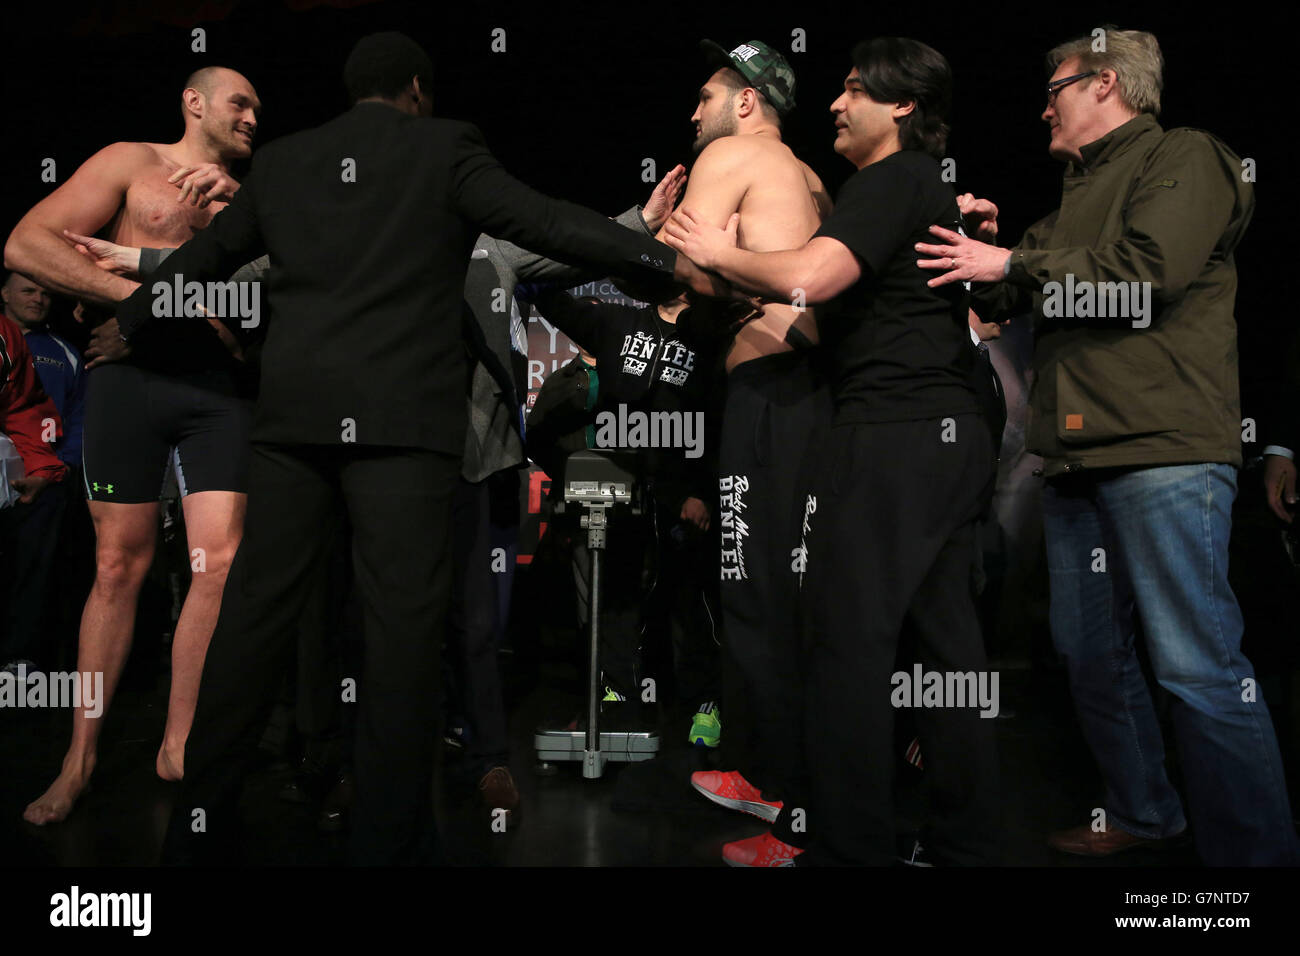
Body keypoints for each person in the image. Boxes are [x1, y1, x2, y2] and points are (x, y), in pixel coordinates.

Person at [110, 32, 684, 865]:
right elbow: (547, 222)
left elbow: (203, 264)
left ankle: (199, 824)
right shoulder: (446, 147)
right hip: (404, 436)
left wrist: (127, 325)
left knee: (253, 621)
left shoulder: (287, 161)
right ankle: (389, 840)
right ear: (417, 90)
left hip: (292, 425)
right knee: (402, 633)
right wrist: (662, 257)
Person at [913, 26, 1298, 866]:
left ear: (1105, 83)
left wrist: (1013, 257)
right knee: (1087, 655)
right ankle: (1144, 809)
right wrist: (981, 248)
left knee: (1196, 664)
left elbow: (1147, 270)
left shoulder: (1186, 156)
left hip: (1162, 450)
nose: (1042, 105)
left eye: (1055, 87)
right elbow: (1024, 279)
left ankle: (1255, 856)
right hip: (1078, 458)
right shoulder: (1073, 193)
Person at [667, 36, 1000, 866]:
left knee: (846, 645)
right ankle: (958, 840)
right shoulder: (902, 187)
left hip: (891, 437)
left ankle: (843, 845)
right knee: (945, 652)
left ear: (902, 107)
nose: (835, 104)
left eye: (853, 90)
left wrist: (713, 254)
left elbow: (814, 275)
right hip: (941, 436)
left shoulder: (891, 180)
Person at [3, 66, 260, 823]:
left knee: (220, 559)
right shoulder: (128, 161)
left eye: (257, 108)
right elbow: (26, 244)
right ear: (195, 102)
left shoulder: (256, 198)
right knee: (119, 564)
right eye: (239, 103)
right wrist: (150, 306)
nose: (251, 118)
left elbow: (279, 294)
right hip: (130, 381)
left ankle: (178, 743)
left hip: (220, 392)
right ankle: (78, 762)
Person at [657, 39, 833, 867]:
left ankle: (787, 798)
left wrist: (663, 240)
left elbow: (691, 274)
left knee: (756, 590)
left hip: (769, 397)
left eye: (705, 97)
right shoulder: (808, 176)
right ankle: (777, 776)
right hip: (803, 398)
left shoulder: (733, 153)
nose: (694, 114)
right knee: (778, 591)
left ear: (747, 103)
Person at [1, 272, 83, 674]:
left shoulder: (65, 353)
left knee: (34, 572)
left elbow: (79, 418)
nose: (38, 299)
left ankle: (19, 663)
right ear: (4, 294)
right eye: (28, 290)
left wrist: (60, 469)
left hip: (41, 482)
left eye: (46, 293)